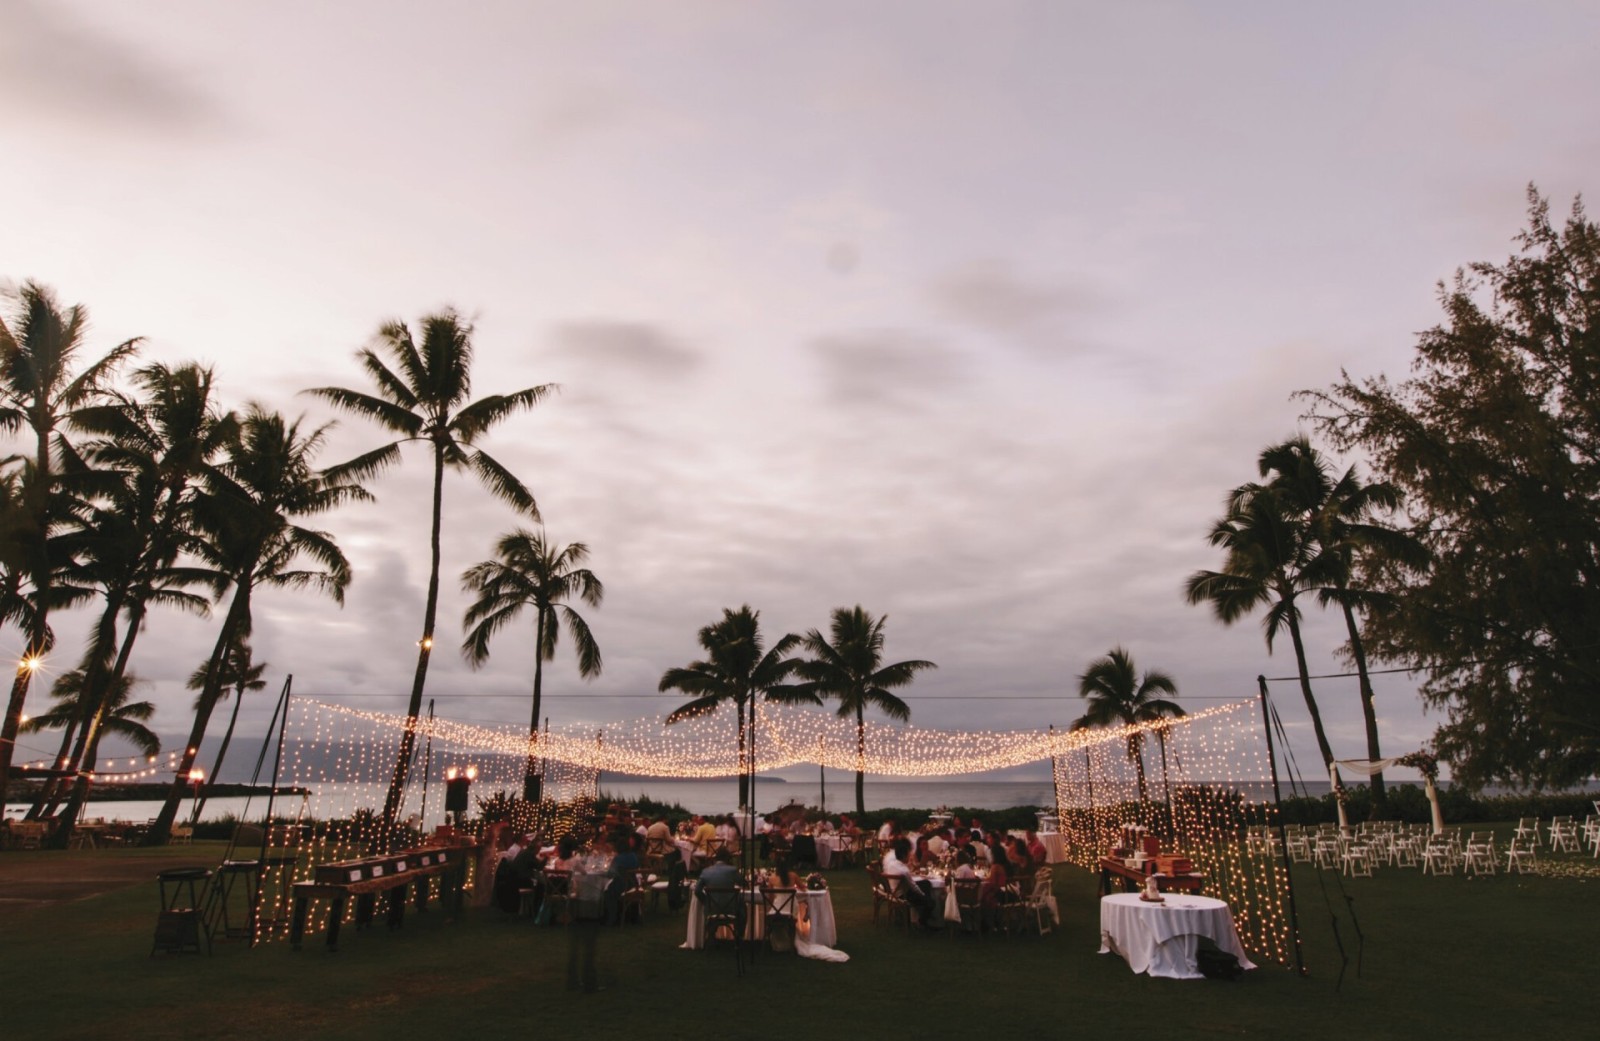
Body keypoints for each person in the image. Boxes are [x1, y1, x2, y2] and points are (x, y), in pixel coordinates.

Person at [882, 837, 938, 929]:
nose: (910, 856)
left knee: (926, 883)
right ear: (904, 856)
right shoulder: (904, 870)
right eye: (908, 855)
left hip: (893, 891)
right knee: (931, 902)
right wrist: (923, 895)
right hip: (903, 894)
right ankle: (922, 921)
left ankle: (924, 909)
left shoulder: (892, 864)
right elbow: (913, 886)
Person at [696, 847, 746, 940]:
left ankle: (711, 933)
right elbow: (744, 883)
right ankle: (740, 933)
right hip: (731, 908)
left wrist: (706, 901)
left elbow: (697, 890)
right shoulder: (732, 870)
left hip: (712, 908)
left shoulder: (706, 871)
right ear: (728, 858)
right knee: (742, 905)